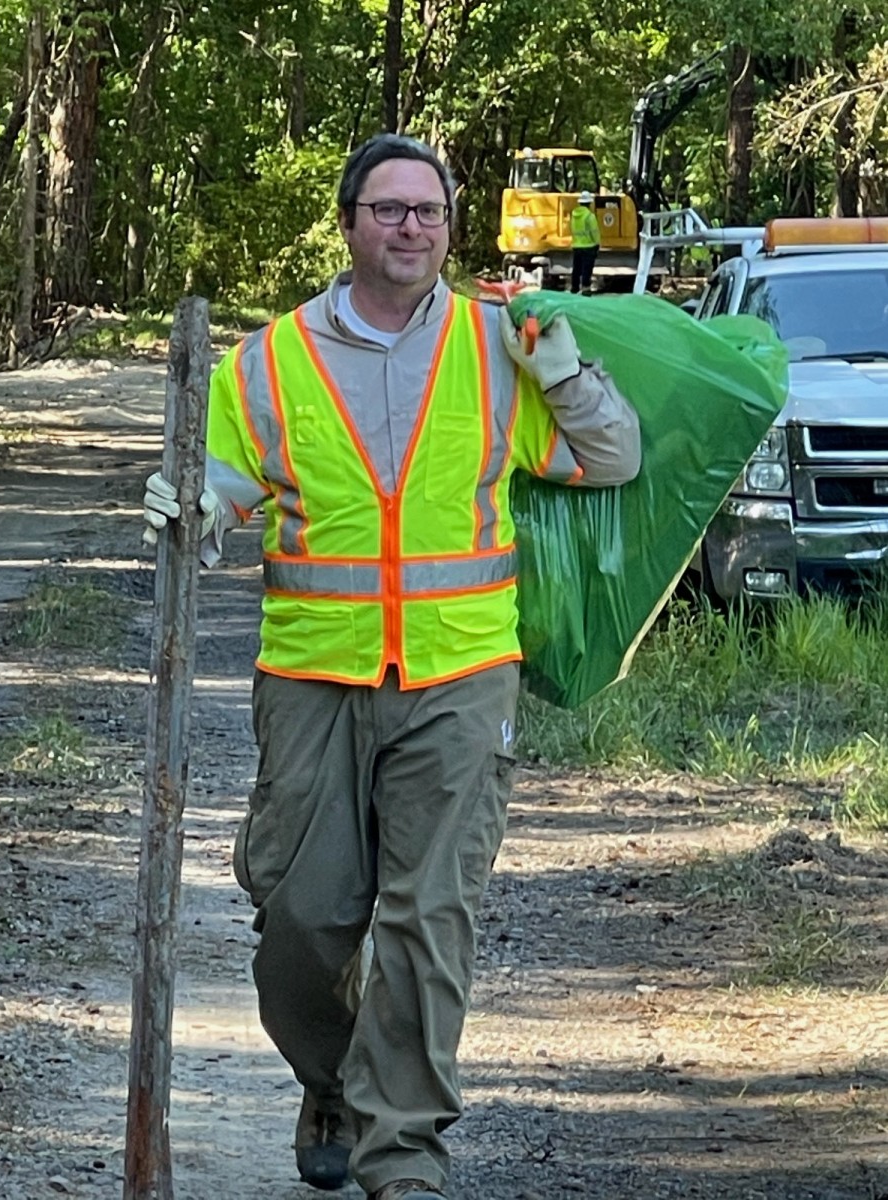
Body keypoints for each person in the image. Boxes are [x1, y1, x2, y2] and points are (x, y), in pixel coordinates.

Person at [142, 132, 641, 1200]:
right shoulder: (265, 362)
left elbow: (614, 459)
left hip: (463, 676)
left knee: (428, 919)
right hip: (314, 676)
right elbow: (225, 495)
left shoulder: (499, 345)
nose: (410, 228)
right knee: (301, 921)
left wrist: (571, 375)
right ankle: (330, 1079)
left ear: (449, 227)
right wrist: (187, 504)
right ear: (349, 222)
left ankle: (399, 1156)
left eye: (428, 211)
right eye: (389, 210)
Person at [570, 190, 601, 295]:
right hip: (589, 246)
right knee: (586, 269)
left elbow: (573, 230)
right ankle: (586, 289)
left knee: (576, 268)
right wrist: (597, 243)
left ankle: (574, 288)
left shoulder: (574, 215)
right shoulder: (589, 216)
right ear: (589, 203)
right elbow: (594, 232)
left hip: (576, 245)